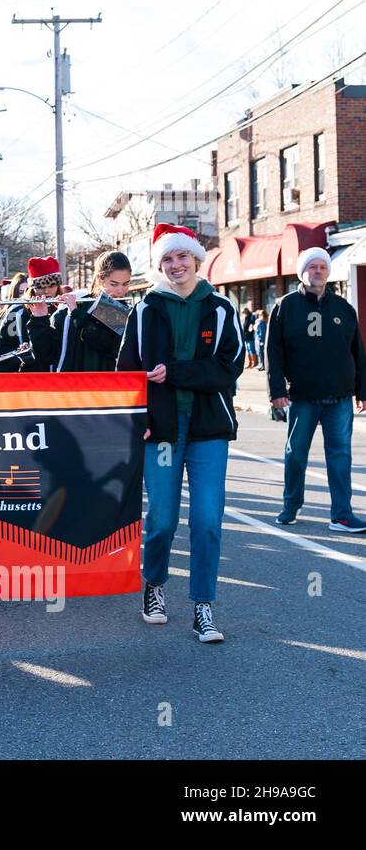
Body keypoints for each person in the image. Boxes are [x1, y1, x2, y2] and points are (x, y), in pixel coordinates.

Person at [118, 224, 241, 643]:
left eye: (182, 257)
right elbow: (126, 374)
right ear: (159, 266)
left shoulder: (222, 308)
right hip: (163, 429)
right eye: (167, 259)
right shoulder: (144, 310)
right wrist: (139, 418)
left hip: (209, 427)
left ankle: (203, 606)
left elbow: (229, 367)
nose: (176, 266)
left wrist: (176, 373)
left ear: (197, 260)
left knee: (207, 520)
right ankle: (154, 586)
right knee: (162, 520)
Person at [265, 247, 366, 533]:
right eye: (312, 267)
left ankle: (342, 515)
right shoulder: (286, 306)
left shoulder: (343, 308)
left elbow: (357, 351)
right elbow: (273, 351)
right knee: (295, 453)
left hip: (340, 396)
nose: (318, 271)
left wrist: (363, 390)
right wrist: (276, 390)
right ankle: (291, 505)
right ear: (302, 272)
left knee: (340, 455)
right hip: (302, 396)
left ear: (328, 271)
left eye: (322, 266)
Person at [31, 250, 133, 373]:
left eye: (125, 284)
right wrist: (39, 319)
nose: (121, 290)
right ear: (100, 279)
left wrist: (77, 315)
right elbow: (47, 356)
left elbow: (111, 347)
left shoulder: (123, 310)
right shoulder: (73, 306)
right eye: (114, 284)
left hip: (107, 388)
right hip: (72, 387)